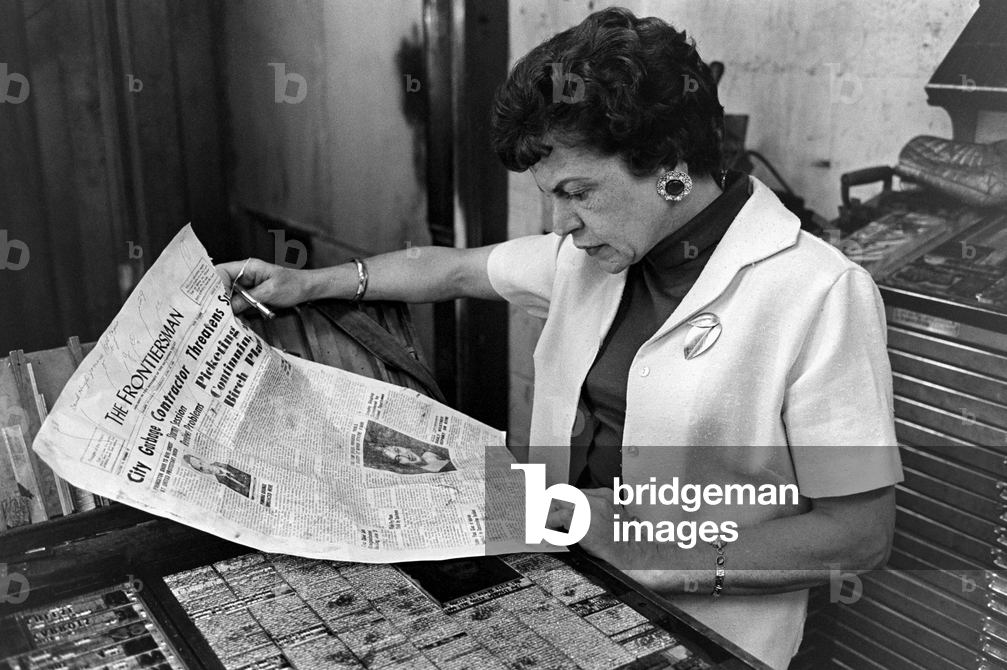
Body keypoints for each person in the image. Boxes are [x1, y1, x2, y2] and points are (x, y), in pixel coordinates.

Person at [216, 8, 901, 668]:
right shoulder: (595, 256)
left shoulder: (817, 292)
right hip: (559, 589)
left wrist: (658, 555)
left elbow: (860, 534)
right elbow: (452, 267)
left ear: (668, 164)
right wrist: (304, 285)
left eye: (577, 191)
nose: (561, 222)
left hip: (700, 633)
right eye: (551, 196)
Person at [182, 454, 252, 498]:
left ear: (203, 460)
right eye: (201, 468)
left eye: (201, 463)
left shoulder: (222, 461)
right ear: (201, 472)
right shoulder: (221, 482)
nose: (205, 468)